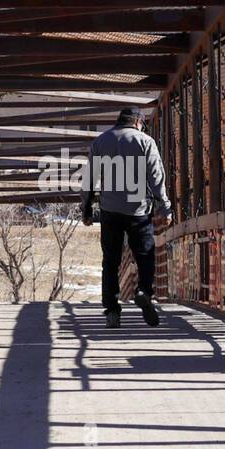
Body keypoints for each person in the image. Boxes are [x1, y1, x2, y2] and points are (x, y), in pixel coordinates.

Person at [81, 107, 173, 328]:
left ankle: (112, 310)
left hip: (110, 210)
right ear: (138, 122)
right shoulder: (145, 141)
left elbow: (90, 178)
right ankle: (143, 291)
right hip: (138, 210)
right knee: (145, 256)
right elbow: (156, 176)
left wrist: (86, 208)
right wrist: (165, 207)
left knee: (110, 261)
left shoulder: (101, 141)